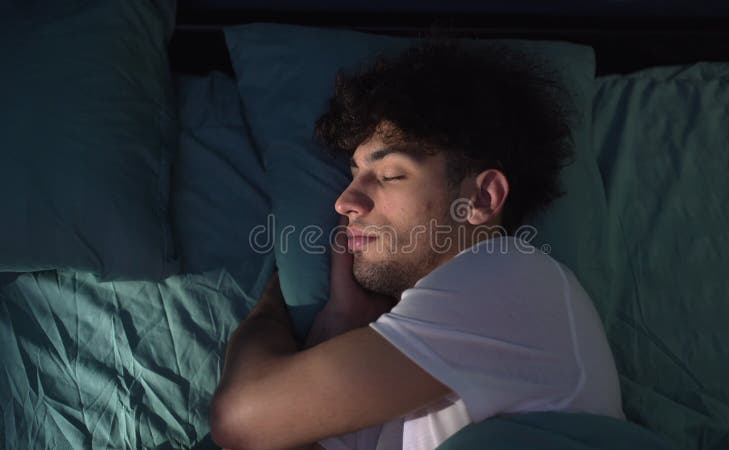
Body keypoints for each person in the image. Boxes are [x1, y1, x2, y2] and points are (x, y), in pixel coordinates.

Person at [210, 40, 624, 450]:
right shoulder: (402, 354)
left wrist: (272, 304)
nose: (345, 202)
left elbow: (240, 419)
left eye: (390, 174)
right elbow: (272, 436)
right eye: (352, 175)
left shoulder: (511, 275)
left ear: (481, 199)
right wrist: (338, 320)